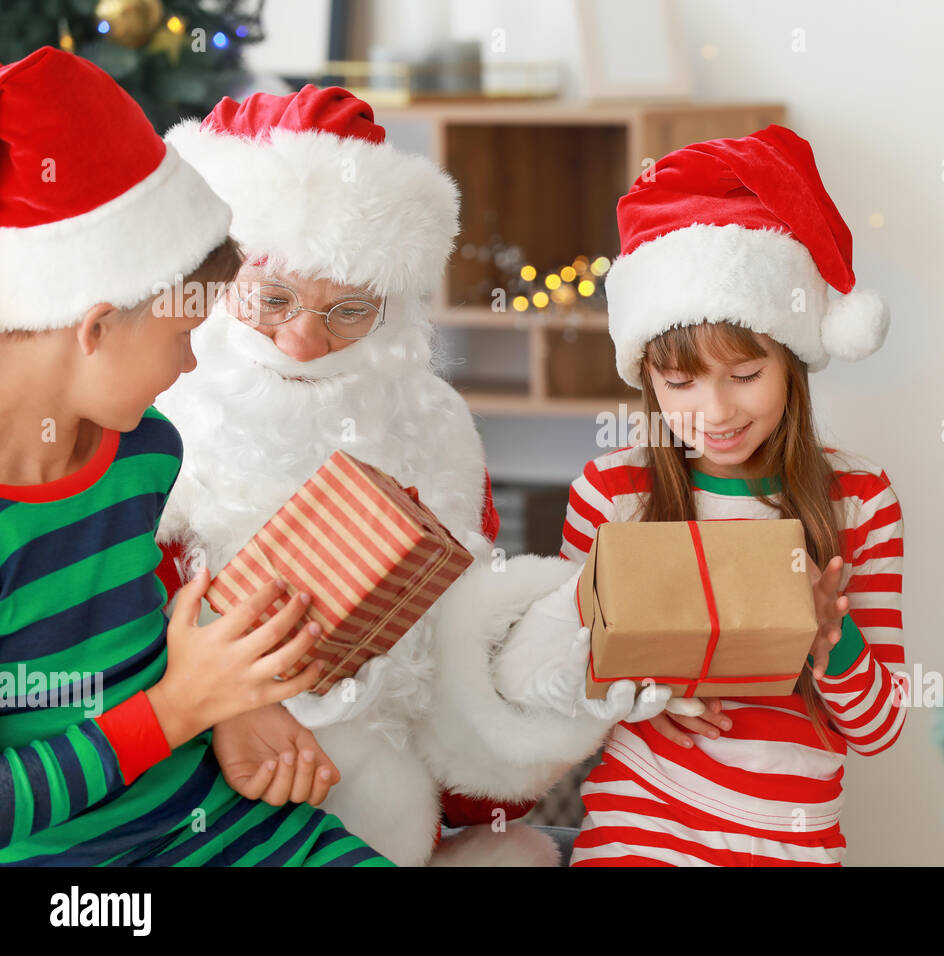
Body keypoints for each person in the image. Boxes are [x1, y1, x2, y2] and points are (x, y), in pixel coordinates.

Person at [155, 84, 668, 865]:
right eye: (274, 299)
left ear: (389, 312)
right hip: (195, 814)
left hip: (384, 817)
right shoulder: (143, 433)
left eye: (348, 311)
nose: (301, 342)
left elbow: (458, 716)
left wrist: (557, 666)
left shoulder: (435, 437)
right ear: (220, 282)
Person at [0, 47, 389, 866]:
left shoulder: (145, 449)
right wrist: (180, 709)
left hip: (230, 826)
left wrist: (227, 706)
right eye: (182, 335)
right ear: (94, 327)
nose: (189, 366)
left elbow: (161, 606)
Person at [557, 125, 908, 865]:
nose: (714, 413)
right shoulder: (612, 492)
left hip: (793, 836)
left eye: (744, 377)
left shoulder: (859, 497)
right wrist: (649, 696)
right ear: (646, 376)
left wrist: (829, 638)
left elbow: (878, 730)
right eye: (679, 382)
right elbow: (560, 679)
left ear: (793, 362)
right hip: (643, 814)